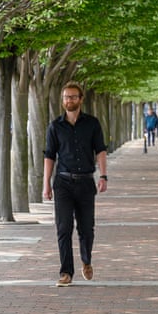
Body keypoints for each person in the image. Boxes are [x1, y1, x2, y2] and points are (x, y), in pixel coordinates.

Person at [43, 81, 109, 287]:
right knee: (63, 228)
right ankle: (66, 272)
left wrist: (103, 176)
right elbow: (49, 156)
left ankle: (86, 260)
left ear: (80, 99)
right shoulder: (55, 126)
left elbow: (100, 150)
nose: (69, 100)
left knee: (86, 228)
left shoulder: (92, 123)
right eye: (65, 97)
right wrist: (46, 183)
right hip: (62, 182)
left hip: (85, 183)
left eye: (72, 97)